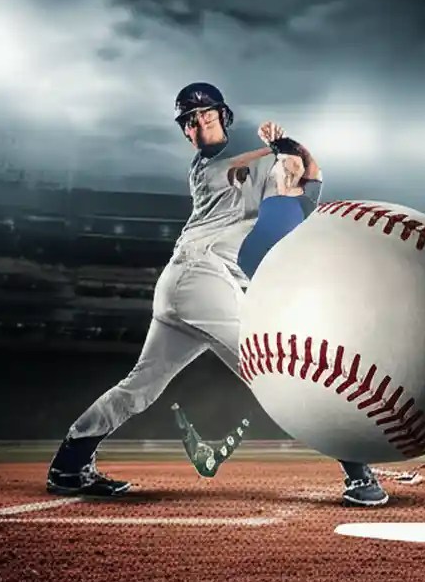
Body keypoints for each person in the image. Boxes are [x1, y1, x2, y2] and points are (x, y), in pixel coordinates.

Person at [43, 82, 389, 507]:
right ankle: (357, 472)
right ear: (186, 132)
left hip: (189, 284)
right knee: (280, 376)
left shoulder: (267, 180)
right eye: (191, 120)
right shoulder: (208, 169)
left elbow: (308, 178)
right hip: (199, 277)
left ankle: (69, 465)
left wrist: (288, 148)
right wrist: (276, 149)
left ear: (223, 117)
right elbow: (269, 170)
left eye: (207, 115)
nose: (199, 123)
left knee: (140, 387)